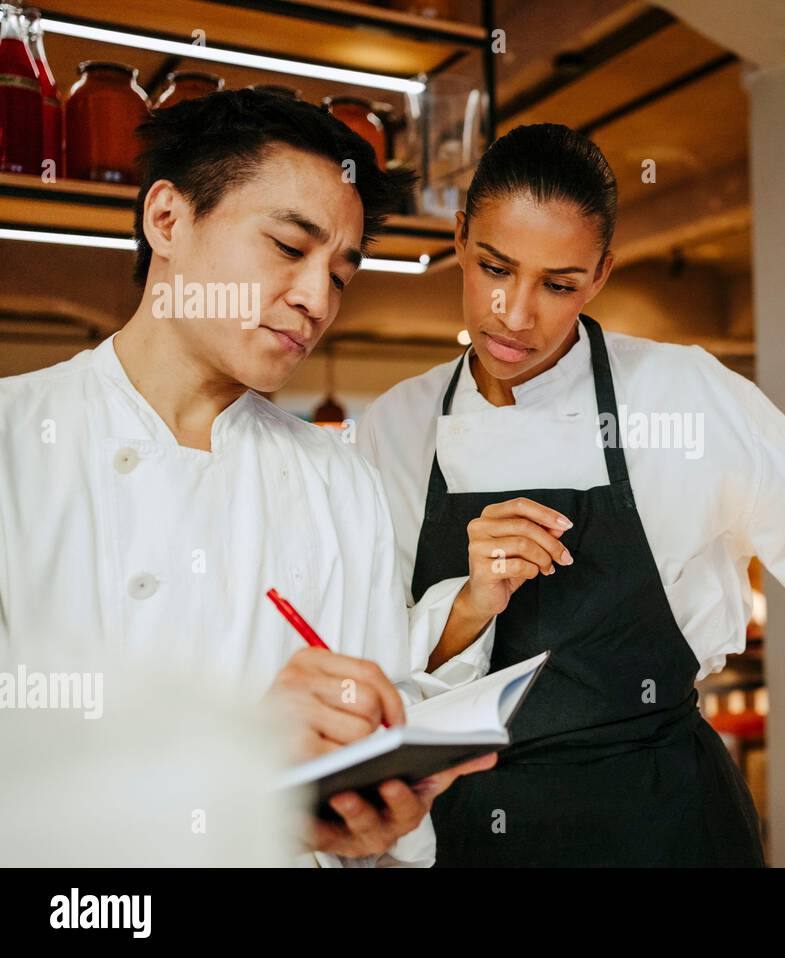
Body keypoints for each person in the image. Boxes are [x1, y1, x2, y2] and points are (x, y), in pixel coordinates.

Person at [357, 123, 785, 866]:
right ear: (459, 238)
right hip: (470, 830)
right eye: (494, 268)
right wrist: (470, 602)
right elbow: (371, 657)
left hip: (663, 819)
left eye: (560, 284)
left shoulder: (685, 394)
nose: (516, 313)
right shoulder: (394, 428)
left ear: (602, 274)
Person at [0, 90, 493, 866]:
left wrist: (366, 820)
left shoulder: (339, 482)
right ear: (167, 219)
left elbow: (361, 748)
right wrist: (238, 754)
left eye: (341, 273)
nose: (315, 298)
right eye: (288, 248)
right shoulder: (14, 446)